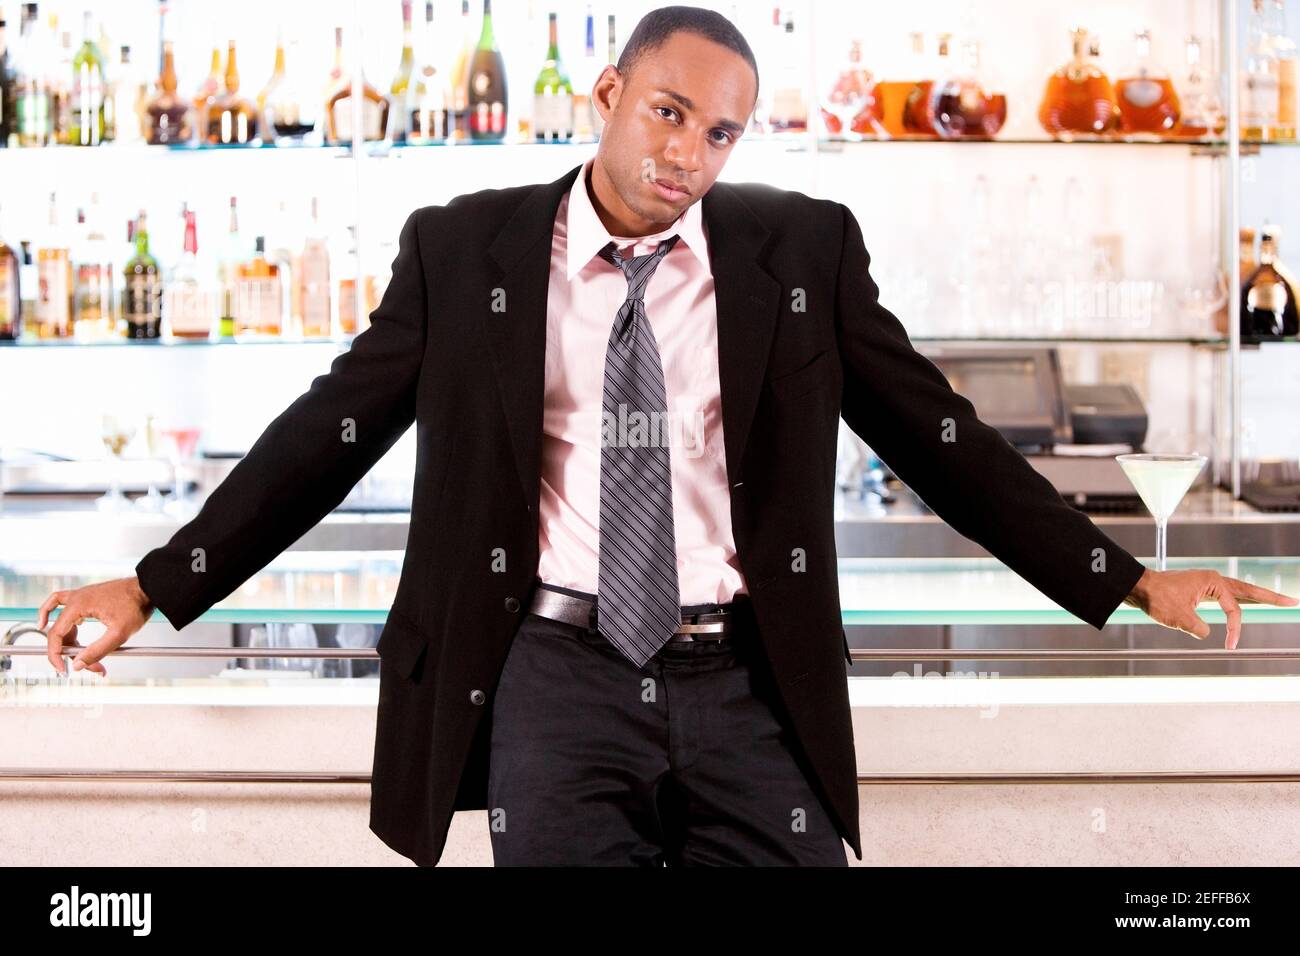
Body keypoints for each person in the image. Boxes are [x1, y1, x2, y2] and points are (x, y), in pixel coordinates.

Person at [38, 6, 1298, 866]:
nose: (688, 152)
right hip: (554, 677)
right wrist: (159, 582)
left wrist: (1125, 577)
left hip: (751, 680)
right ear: (608, 94)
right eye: (667, 113)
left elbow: (941, 437)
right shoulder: (464, 246)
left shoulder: (798, 250)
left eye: (721, 130)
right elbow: (329, 433)